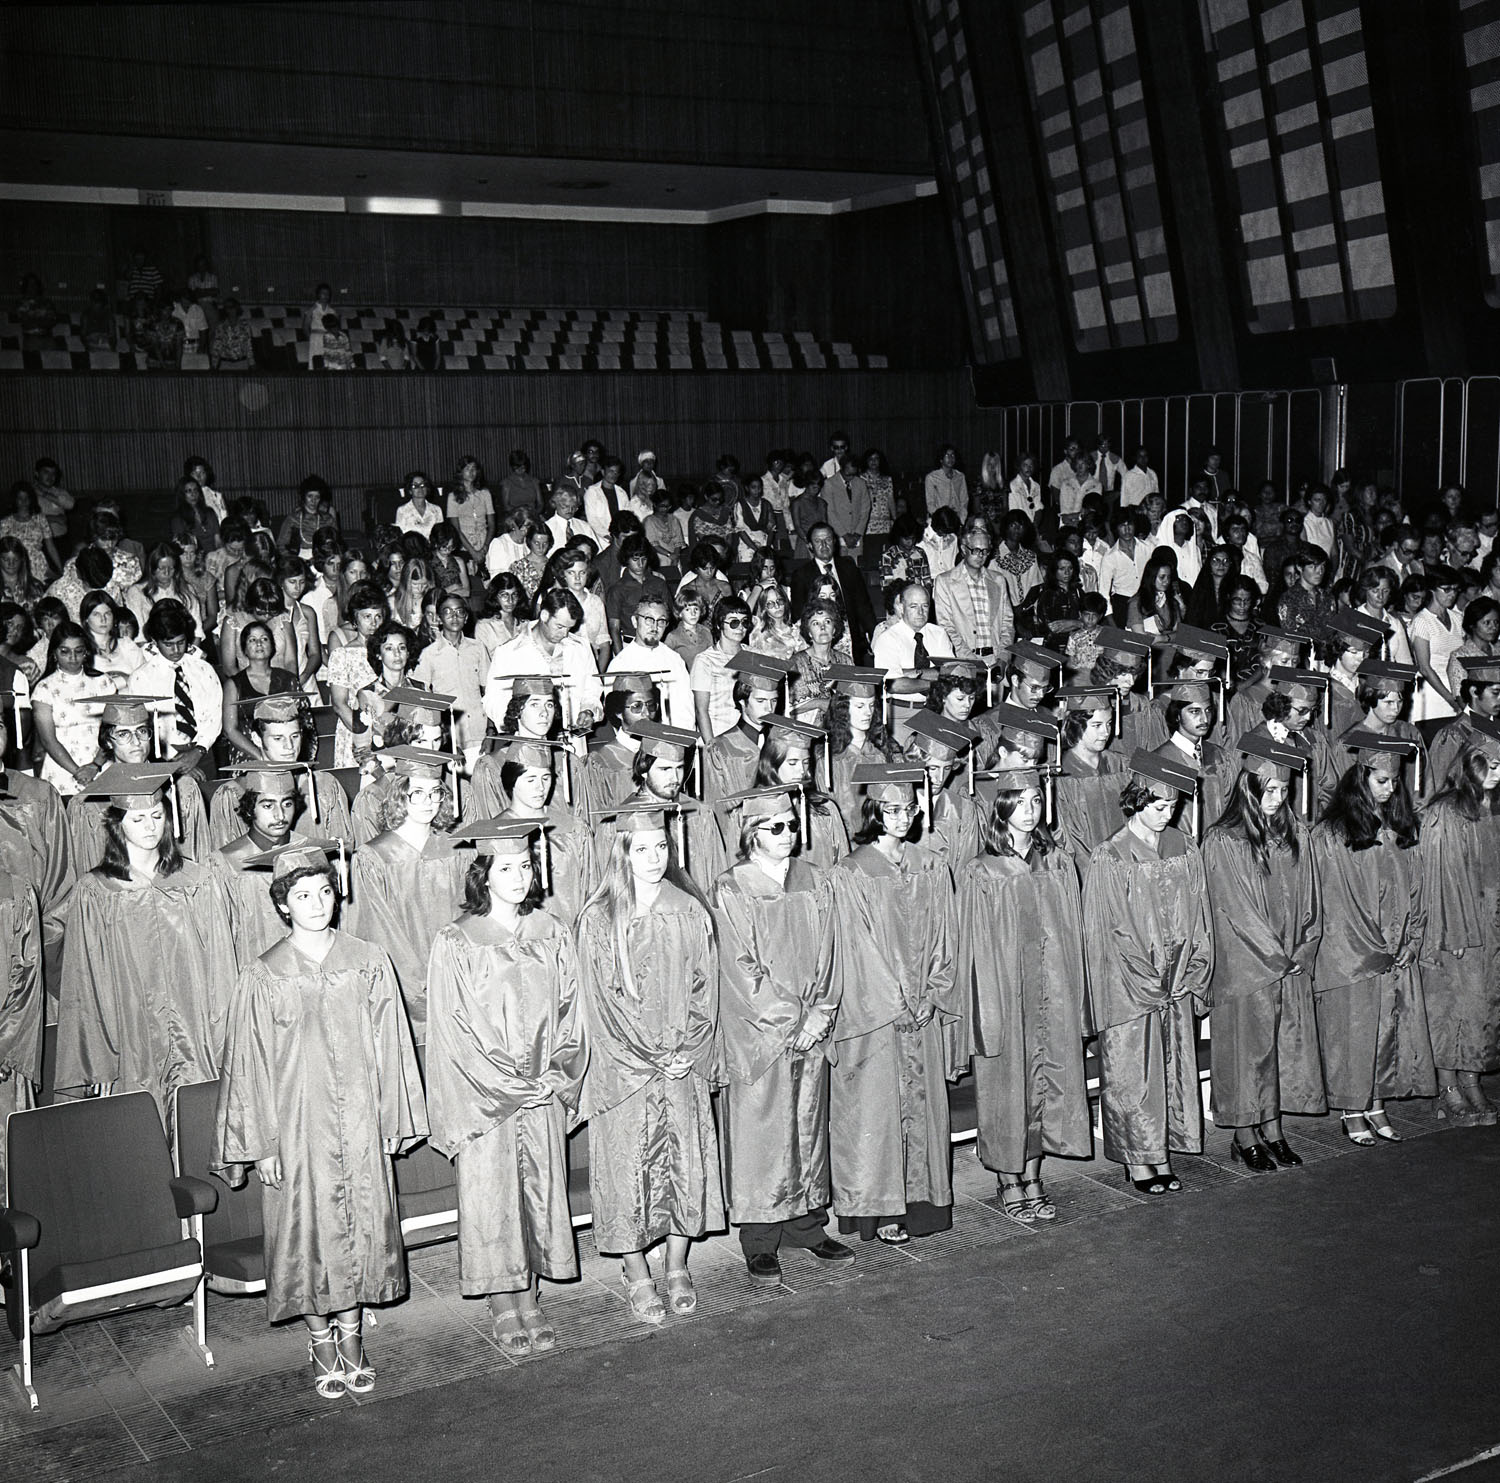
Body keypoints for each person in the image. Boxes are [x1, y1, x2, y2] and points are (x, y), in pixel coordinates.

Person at [216, 842, 426, 1399]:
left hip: (358, 1122)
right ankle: (319, 1340)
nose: (316, 903)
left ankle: (354, 1337)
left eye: (324, 891)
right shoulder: (263, 974)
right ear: (283, 905)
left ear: (338, 893)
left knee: (359, 1226)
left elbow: (392, 1047)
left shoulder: (368, 959)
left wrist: (391, 1118)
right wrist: (261, 1143)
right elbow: (248, 1064)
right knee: (303, 1233)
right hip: (296, 1129)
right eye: (301, 895)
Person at [424, 820, 586, 1357]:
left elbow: (571, 1010)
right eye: (506, 867)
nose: (519, 876)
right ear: (484, 874)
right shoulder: (456, 940)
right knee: (491, 1193)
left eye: (525, 864)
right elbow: (453, 1027)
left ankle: (532, 1293)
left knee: (541, 1187)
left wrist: (557, 1073)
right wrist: (507, 1085)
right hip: (487, 1099)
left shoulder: (551, 930)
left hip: (541, 1089)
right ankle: (501, 1298)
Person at [577, 806, 722, 1322]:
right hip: (626, 1072)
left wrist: (691, 1046)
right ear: (621, 852)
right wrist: (649, 1056)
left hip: (681, 1062)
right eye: (641, 848)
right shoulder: (599, 919)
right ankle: (636, 1271)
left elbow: (707, 989)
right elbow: (601, 1004)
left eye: (661, 845)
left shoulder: (689, 909)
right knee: (627, 1170)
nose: (654, 857)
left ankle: (678, 1265)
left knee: (684, 1163)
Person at [712, 788, 851, 1283]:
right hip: (761, 1035)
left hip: (811, 1027)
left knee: (807, 1127)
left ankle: (807, 1225)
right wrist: (793, 1018)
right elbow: (739, 968)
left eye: (792, 825)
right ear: (751, 832)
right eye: (776, 827)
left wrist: (821, 1012)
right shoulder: (732, 888)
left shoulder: (814, 880)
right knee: (763, 1132)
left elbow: (833, 950)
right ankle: (760, 1238)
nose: (789, 834)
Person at [54, 762, 235, 1138]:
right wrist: (99, 1062)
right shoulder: (97, 891)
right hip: (131, 1035)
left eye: (157, 815)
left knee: (198, 1130)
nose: (151, 827)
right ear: (117, 825)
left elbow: (220, 967)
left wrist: (226, 1042)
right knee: (141, 1136)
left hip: (194, 1031)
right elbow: (86, 983)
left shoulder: (197, 880)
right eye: (138, 819)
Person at [828, 767, 958, 1245]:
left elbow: (947, 936)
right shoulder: (851, 872)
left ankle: (921, 1204)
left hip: (921, 1010)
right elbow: (855, 947)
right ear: (874, 812)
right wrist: (895, 1002)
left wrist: (931, 993)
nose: (902, 818)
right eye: (891, 810)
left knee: (922, 1106)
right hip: (875, 1018)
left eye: (908, 809)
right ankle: (878, 1209)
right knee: (876, 1111)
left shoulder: (931, 865)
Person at [957, 765, 1089, 1219]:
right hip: (1006, 996)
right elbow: (975, 947)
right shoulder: (982, 871)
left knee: (1045, 1083)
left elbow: (1073, 935)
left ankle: (1033, 1174)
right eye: (1020, 802)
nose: (1030, 811)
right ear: (1002, 807)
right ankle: (1006, 1178)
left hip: (1051, 993)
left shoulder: (1058, 862)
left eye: (1036, 801)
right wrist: (986, 1007)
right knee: (1008, 1086)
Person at [1082, 750, 1214, 1195]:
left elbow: (1200, 916)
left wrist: (1192, 970)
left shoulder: (1183, 846)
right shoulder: (1111, 855)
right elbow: (1109, 930)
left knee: (1173, 1068)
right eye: (1158, 806)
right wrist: (1146, 980)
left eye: (1172, 806)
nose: (1166, 814)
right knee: (1133, 1071)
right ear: (1136, 800)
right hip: (1133, 986)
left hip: (1175, 981)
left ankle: (1162, 1150)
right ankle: (1138, 1158)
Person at [1202, 737, 1325, 1171]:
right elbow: (1231, 909)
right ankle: (1243, 1133)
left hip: (1289, 961)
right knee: (1245, 1050)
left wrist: (1305, 947)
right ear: (1248, 789)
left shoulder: (1296, 835)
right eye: (1267, 790)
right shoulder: (1223, 839)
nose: (1276, 800)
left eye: (1283, 791)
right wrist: (1276, 957)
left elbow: (1311, 898)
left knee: (1277, 1048)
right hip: (1245, 967)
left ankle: (1272, 1127)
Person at [1311, 733, 1434, 1146]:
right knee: (1355, 1027)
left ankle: (1376, 1101)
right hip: (1354, 952)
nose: (1389, 788)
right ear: (1360, 778)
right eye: (1381, 780)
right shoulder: (1332, 833)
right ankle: (1352, 1106)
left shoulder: (1398, 826)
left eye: (1394, 781)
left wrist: (1409, 938)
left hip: (1394, 946)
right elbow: (1334, 900)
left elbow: (1416, 887)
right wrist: (1374, 946)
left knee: (1385, 1028)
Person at [348, 748, 464, 1043]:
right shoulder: (373, 857)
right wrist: (421, 988)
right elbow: (376, 932)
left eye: (435, 792)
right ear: (400, 795)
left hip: (458, 981)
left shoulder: (457, 850)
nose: (428, 802)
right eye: (418, 793)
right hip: (405, 990)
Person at [1416, 721, 1500, 1127]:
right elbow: (1439, 877)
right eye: (1493, 765)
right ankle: (1447, 1085)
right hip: (1456, 927)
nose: (1499, 773)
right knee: (1451, 1005)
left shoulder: (1491, 808)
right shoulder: (1443, 811)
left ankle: (1472, 1078)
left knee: (1482, 1005)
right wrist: (1454, 930)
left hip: (1491, 924)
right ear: (1471, 765)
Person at [67, 695, 211, 870]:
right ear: (107, 741)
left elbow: (198, 855)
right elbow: (90, 872)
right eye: (123, 734)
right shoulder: (89, 803)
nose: (136, 742)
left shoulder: (182, 788)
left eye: (142, 731)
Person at [30, 621, 117, 797]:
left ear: (86, 652)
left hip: (101, 762)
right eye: (65, 652)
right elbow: (48, 740)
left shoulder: (103, 682)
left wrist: (95, 765)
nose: (72, 657)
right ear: (54, 653)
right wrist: (77, 771)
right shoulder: (44, 689)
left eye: (79, 651)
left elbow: (113, 729)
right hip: (63, 769)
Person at [134, 599, 223, 758]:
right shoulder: (142, 677)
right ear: (155, 642)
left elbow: (215, 714)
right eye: (168, 644)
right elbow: (146, 724)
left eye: (181, 642)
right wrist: (170, 760)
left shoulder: (203, 669)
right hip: (164, 755)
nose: (176, 650)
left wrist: (199, 750)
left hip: (202, 749)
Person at [414, 592, 487, 763]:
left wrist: (491, 729)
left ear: (466, 617)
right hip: (451, 735)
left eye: (459, 612)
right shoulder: (429, 654)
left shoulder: (478, 648)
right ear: (439, 618)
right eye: (447, 612)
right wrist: (447, 742)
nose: (454, 617)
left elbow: (489, 692)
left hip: (480, 731)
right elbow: (422, 701)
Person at [790, 524, 876, 663]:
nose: (824, 545)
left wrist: (874, 635)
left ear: (834, 542)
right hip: (820, 643)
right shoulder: (801, 575)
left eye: (828, 540)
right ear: (810, 545)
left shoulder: (849, 568)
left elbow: (863, 606)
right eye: (818, 541)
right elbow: (800, 615)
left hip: (852, 642)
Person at [933, 523, 1014, 661]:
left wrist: (1003, 657)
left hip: (995, 658)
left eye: (985, 551)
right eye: (975, 550)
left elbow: (1007, 624)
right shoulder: (944, 581)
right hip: (965, 660)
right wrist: (970, 660)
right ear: (964, 549)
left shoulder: (998, 580)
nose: (981, 556)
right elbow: (946, 627)